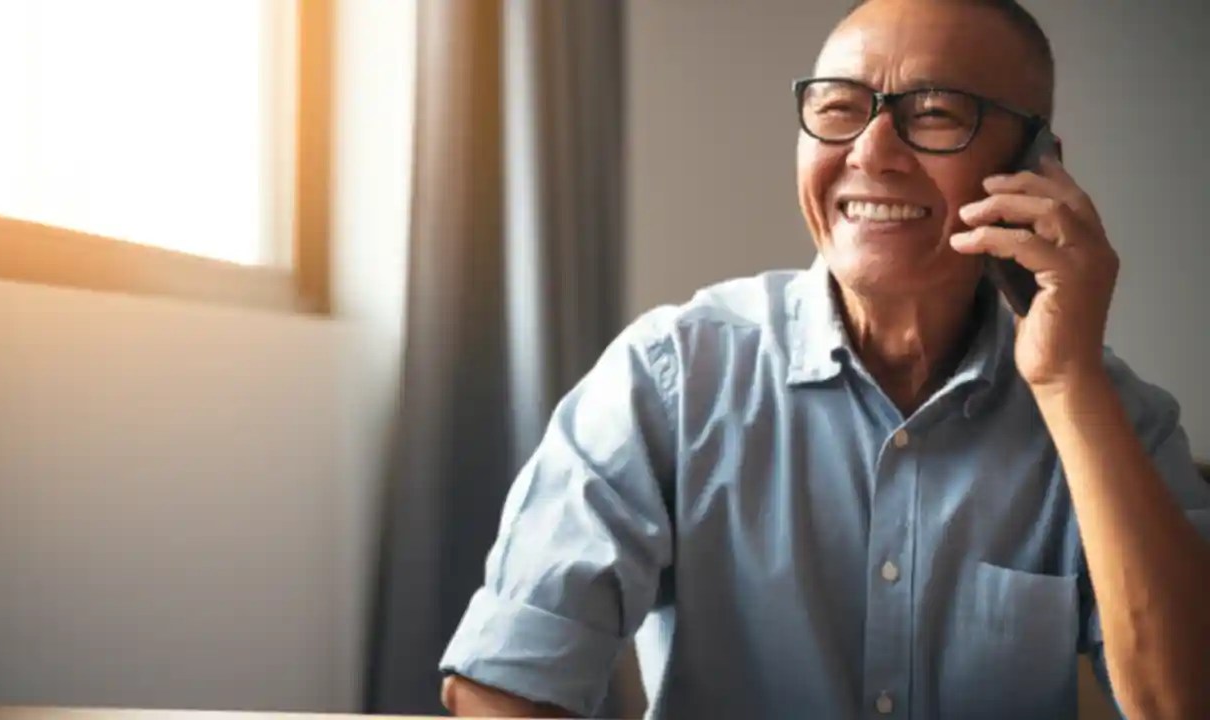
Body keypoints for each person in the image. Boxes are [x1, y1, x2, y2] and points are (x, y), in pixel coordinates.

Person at [438, 0, 1210, 717]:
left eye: (935, 114)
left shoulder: (1111, 415)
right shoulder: (671, 378)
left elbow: (1185, 702)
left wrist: (1067, 381)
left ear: (1039, 164)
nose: (871, 152)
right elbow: (506, 680)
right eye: (838, 108)